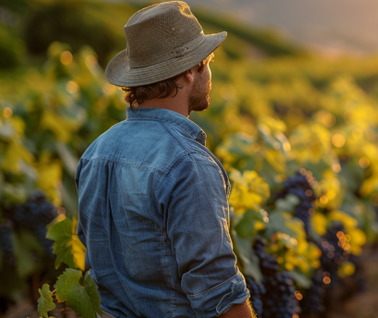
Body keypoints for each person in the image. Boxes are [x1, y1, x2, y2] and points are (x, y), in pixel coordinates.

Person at [75, 2, 255, 317]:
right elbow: (219, 292)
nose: (209, 72)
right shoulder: (188, 165)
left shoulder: (96, 151)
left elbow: (91, 253)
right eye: (207, 62)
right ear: (188, 71)